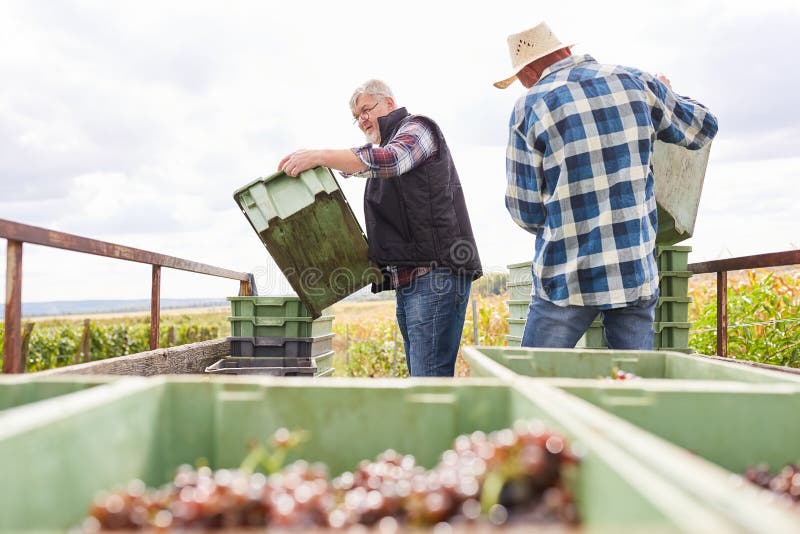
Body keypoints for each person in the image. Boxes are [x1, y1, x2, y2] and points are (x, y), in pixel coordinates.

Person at [495, 22, 718, 349]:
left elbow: (524, 210)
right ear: (567, 51)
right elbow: (703, 127)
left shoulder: (529, 106)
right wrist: (666, 91)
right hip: (633, 270)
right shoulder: (636, 82)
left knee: (531, 381)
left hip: (566, 275)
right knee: (630, 390)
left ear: (529, 71)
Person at [278, 79, 482, 376]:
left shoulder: (418, 128)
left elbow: (390, 160)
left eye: (365, 110)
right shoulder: (385, 149)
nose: (361, 120)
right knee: (421, 382)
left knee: (428, 385)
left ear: (388, 103)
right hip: (411, 281)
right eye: (356, 117)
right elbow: (368, 165)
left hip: (436, 277)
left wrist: (321, 155)